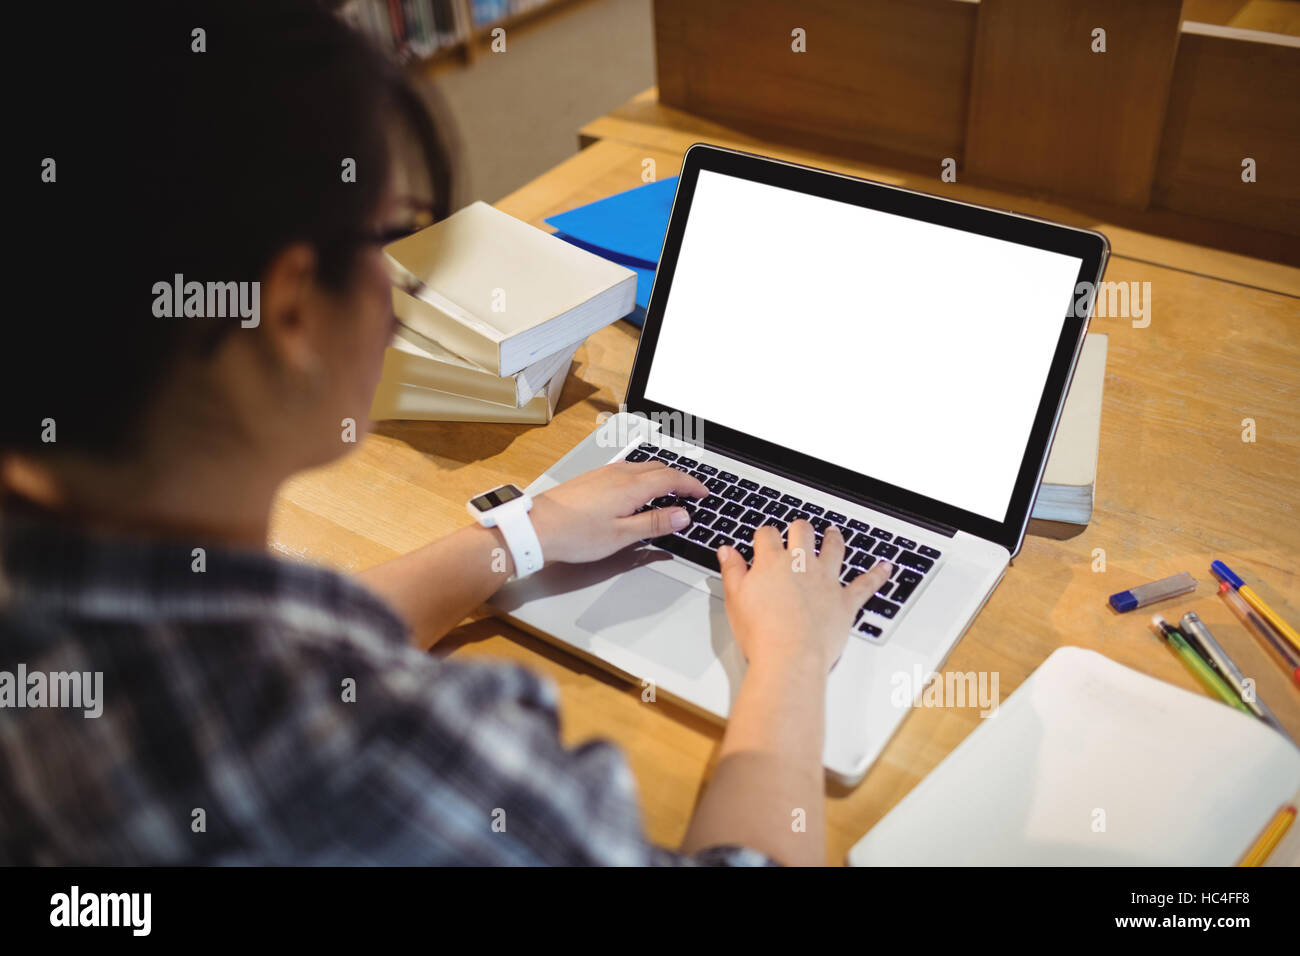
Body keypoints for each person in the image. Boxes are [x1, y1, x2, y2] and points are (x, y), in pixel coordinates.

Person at [0, 0, 889, 866]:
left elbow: (273, 634)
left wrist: (513, 539)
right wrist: (792, 657)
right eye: (386, 238)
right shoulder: (365, 764)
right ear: (293, 313)